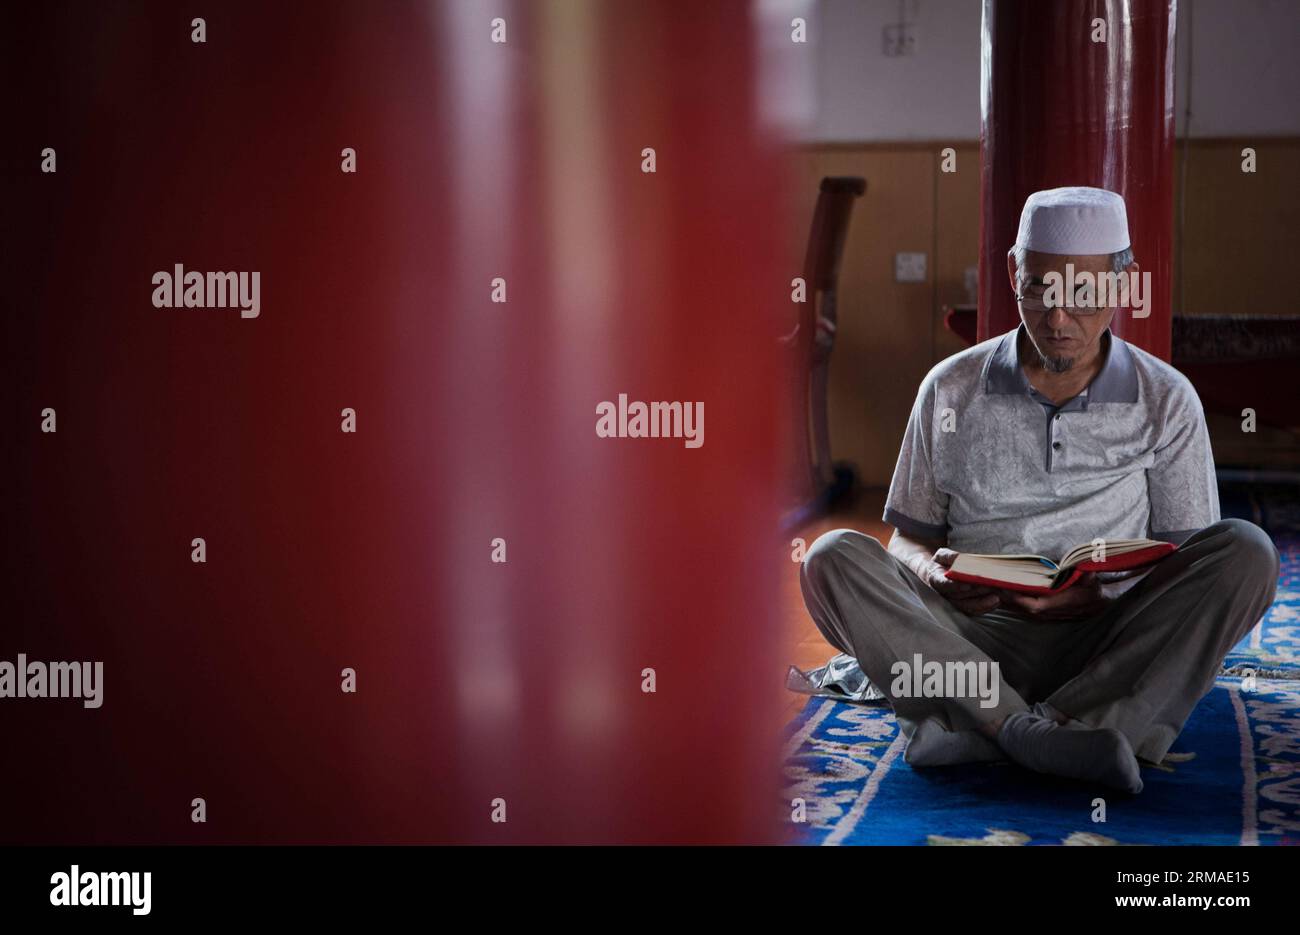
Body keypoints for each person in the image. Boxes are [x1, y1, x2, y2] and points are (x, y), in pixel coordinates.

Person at [799, 187, 1278, 793]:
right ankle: (1048, 733)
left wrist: (1101, 599)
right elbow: (906, 541)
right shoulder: (950, 388)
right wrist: (933, 576)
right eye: (1038, 290)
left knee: (1247, 551)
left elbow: (1183, 567)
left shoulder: (1168, 399)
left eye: (1082, 295)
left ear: (1121, 283)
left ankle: (994, 726)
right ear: (1012, 273)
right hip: (969, 636)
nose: (1057, 318)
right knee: (831, 558)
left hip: (1107, 640)